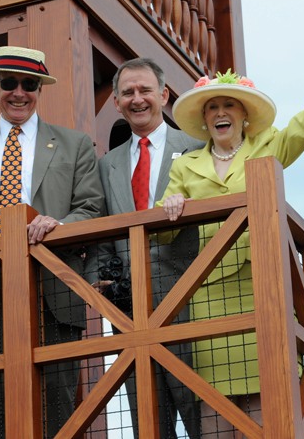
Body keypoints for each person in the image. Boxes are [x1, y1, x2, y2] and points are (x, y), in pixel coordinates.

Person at [160, 6, 304, 433]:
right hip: (207, 293)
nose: (220, 112)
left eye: (229, 105)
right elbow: (164, 230)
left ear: (244, 115)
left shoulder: (270, 147)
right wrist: (169, 210)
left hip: (265, 286)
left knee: (270, 411)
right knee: (215, 420)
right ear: (205, 121)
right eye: (212, 108)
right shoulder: (185, 166)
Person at [0, 46, 105, 438]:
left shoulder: (74, 144)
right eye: (9, 83)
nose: (19, 92)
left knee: (57, 409)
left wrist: (58, 224)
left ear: (39, 89)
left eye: (28, 84)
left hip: (51, 289)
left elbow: (92, 209)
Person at [97, 57, 204, 438]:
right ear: (116, 102)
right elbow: (100, 234)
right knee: (147, 419)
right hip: (130, 309)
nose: (137, 99)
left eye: (145, 90)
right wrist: (104, 280)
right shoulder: (106, 165)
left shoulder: (195, 147)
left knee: (200, 411)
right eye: (128, 92)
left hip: (190, 300)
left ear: (164, 94)